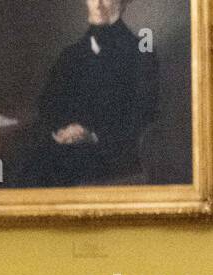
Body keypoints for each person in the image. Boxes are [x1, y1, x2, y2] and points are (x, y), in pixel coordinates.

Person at [10, 0, 159, 187]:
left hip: (113, 155)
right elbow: (48, 107)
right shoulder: (70, 55)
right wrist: (62, 130)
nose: (98, 4)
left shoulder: (141, 54)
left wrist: (93, 134)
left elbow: (143, 116)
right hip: (64, 148)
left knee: (56, 166)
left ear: (122, 3)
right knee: (26, 163)